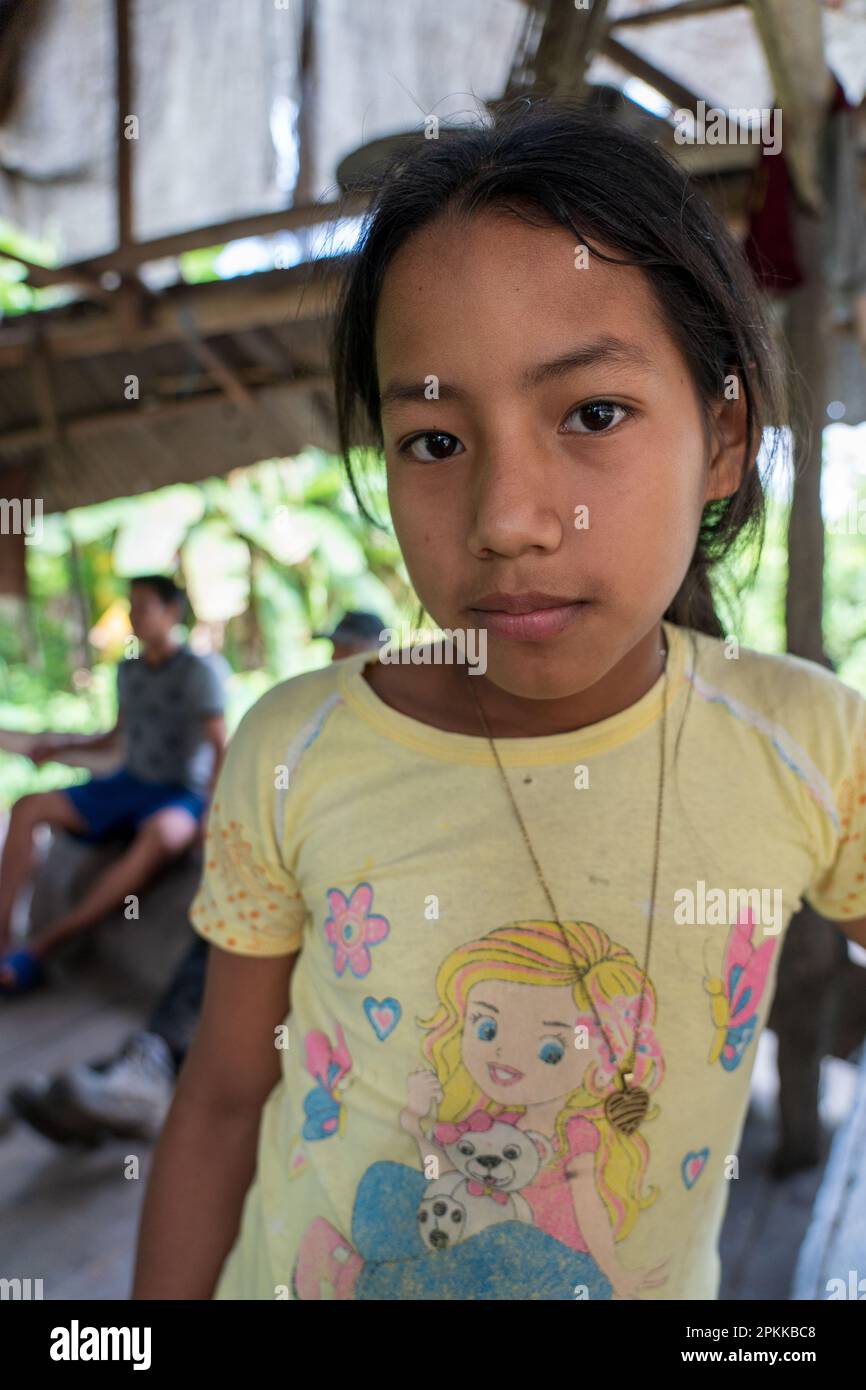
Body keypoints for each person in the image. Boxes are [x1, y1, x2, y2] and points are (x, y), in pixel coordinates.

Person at [132, 101, 866, 1303]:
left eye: (590, 414)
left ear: (722, 435)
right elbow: (220, 1099)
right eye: (432, 439)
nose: (504, 519)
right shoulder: (297, 746)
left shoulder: (805, 748)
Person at [6, 611, 386, 1144]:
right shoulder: (321, 725)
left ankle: (138, 1078)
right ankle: (134, 1073)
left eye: (346, 650)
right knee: (228, 929)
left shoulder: (394, 739)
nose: (335, 662)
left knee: (241, 950)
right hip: (294, 891)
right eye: (334, 650)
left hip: (354, 912)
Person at [0, 574, 227, 995]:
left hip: (182, 793)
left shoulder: (200, 672)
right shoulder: (130, 670)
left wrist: (211, 814)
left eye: (143, 607)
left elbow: (220, 748)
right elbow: (116, 735)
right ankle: (2, 936)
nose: (134, 616)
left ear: (172, 612)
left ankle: (41, 949)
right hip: (129, 782)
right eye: (131, 606)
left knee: (162, 834)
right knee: (28, 806)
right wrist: (60, 744)